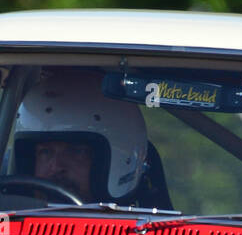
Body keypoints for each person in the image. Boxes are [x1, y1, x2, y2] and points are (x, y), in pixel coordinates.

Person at [13, 69, 149, 203]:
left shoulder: (147, 225)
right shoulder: (4, 220)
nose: (56, 167)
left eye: (76, 151)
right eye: (45, 152)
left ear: (118, 162)